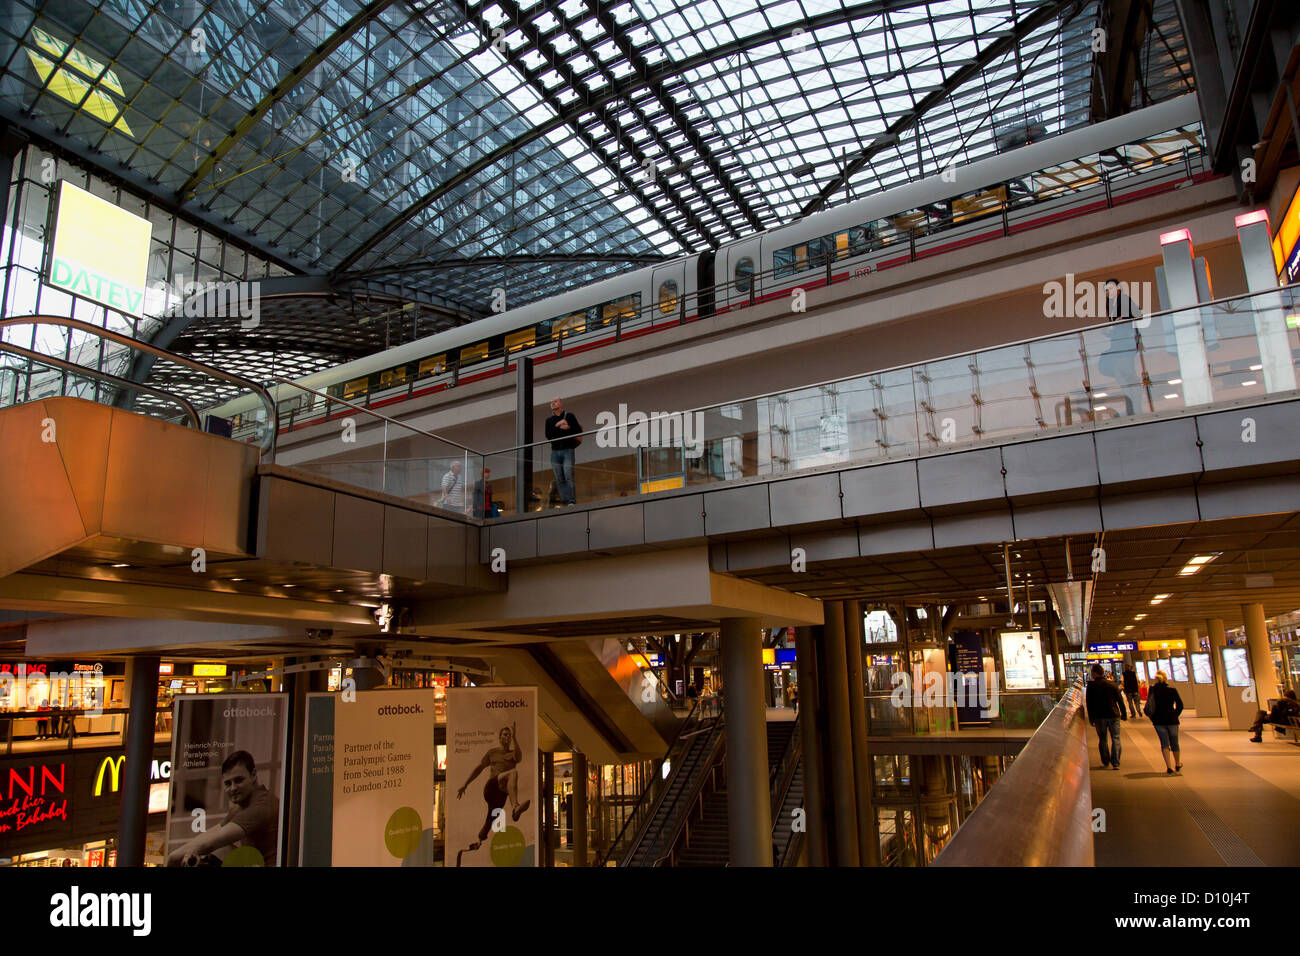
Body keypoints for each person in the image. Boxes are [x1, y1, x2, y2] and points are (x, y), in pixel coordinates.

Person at [167, 750, 280, 865]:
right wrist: (174, 856)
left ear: (253, 775)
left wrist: (171, 861)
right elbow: (209, 836)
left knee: (217, 848)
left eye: (239, 780)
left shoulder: (262, 805)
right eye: (228, 783)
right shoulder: (241, 807)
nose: (233, 788)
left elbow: (209, 844)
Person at [455, 722, 531, 864]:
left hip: (501, 796)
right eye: (504, 735)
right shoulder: (492, 753)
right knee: (513, 773)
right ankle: (515, 807)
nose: (507, 737)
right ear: (500, 737)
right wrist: (465, 784)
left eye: (509, 735)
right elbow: (479, 768)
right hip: (491, 788)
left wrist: (515, 737)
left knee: (490, 819)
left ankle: (480, 839)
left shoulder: (513, 755)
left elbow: (519, 757)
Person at [1085, 663, 1127, 769]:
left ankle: (1105, 761)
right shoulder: (1112, 684)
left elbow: (1089, 703)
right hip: (1113, 715)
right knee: (1116, 738)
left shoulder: (1091, 686)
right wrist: (1124, 714)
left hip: (1099, 717)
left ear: (1094, 673)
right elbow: (1120, 700)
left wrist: (1091, 718)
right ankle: (1116, 763)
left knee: (1103, 739)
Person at [1144, 670, 1184, 774]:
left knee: (1164, 743)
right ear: (1165, 678)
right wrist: (1175, 715)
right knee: (1175, 743)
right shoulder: (1172, 689)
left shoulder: (1152, 690)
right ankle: (1178, 763)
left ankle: (1169, 766)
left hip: (1158, 720)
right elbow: (1180, 705)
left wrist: (1152, 718)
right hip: (1172, 720)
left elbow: (1149, 705)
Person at [544, 397, 582, 507]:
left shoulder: (569, 416)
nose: (552, 404)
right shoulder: (549, 421)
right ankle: (564, 500)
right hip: (555, 452)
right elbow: (549, 435)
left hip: (567, 450)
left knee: (568, 475)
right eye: (551, 402)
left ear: (561, 404)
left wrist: (568, 426)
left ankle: (571, 500)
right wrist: (559, 424)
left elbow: (578, 430)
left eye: (555, 402)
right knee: (559, 478)